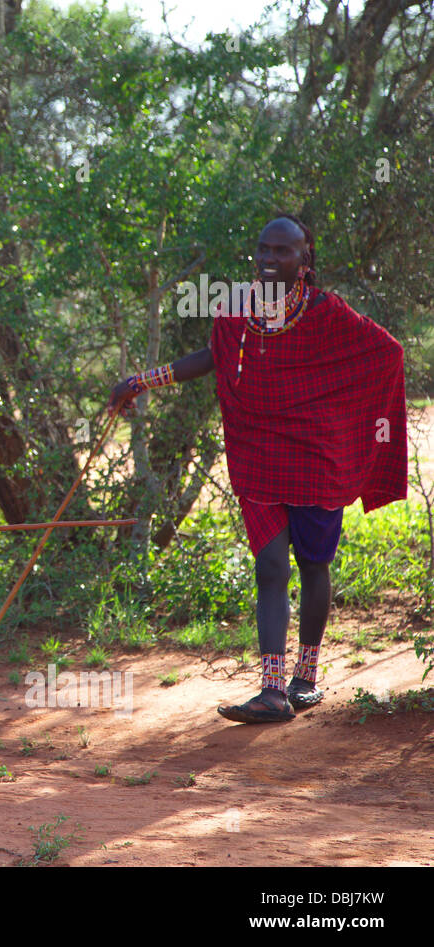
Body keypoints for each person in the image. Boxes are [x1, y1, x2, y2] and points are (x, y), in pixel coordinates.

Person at [111, 214, 407, 723]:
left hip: (316, 458)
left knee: (314, 564)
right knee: (269, 567)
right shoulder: (236, 308)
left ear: (304, 260)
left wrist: (359, 427)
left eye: (282, 252)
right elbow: (213, 357)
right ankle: (272, 692)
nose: (269, 259)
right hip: (260, 454)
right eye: (263, 250)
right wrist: (143, 380)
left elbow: (386, 352)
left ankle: (305, 679)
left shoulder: (327, 312)